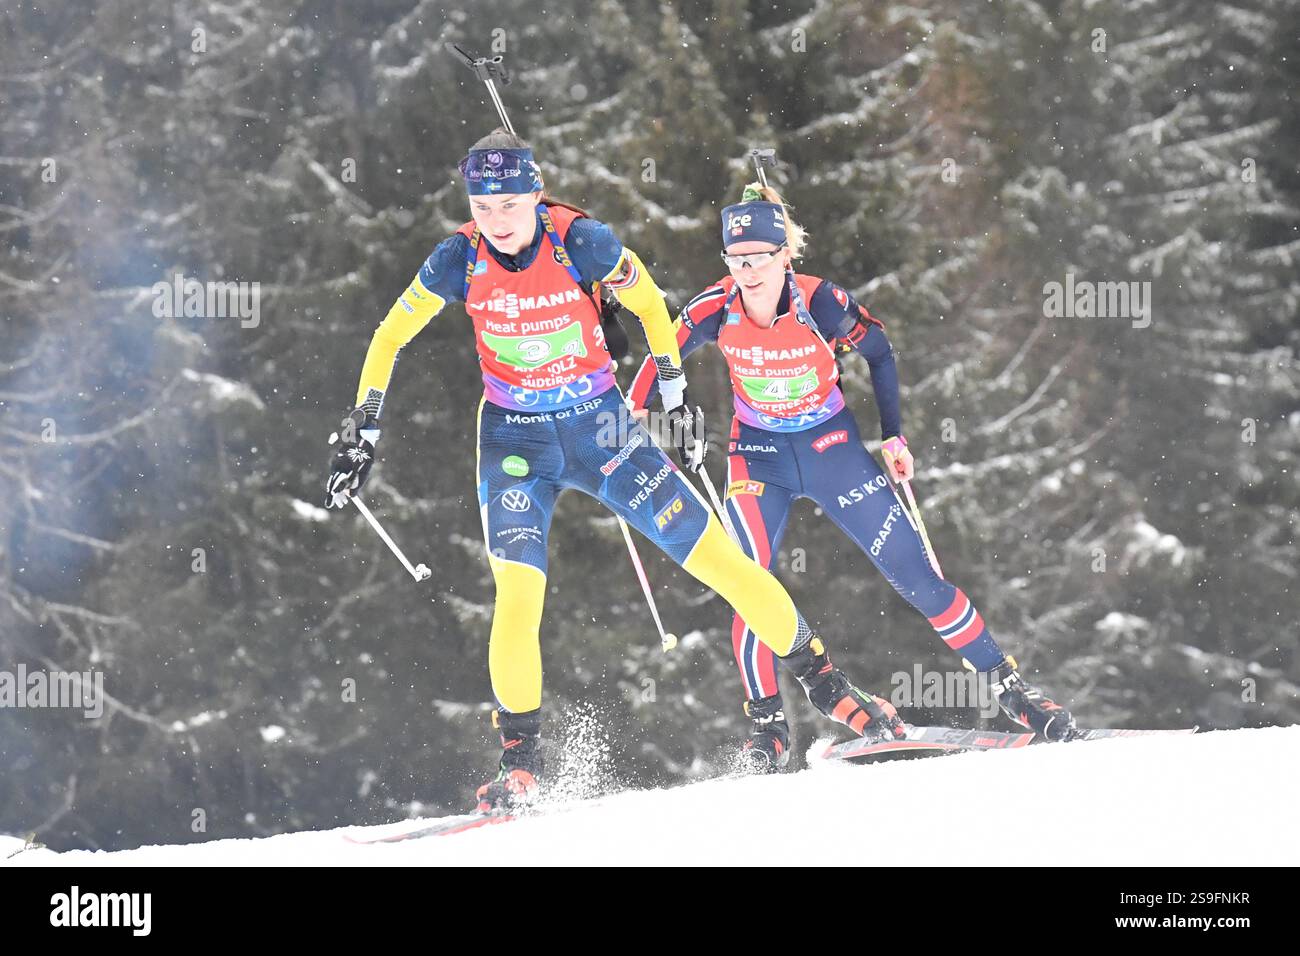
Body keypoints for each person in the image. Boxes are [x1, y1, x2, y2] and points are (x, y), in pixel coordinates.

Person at [324, 133, 905, 808]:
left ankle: (831, 687)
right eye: (483, 206)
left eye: (510, 203)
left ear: (536, 195)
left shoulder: (584, 240)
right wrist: (361, 432)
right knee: (517, 595)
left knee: (716, 560)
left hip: (602, 429)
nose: (497, 219)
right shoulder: (459, 257)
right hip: (515, 440)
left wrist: (676, 394)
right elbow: (390, 335)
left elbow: (652, 305)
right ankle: (521, 765)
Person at [629, 183, 1076, 770]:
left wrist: (893, 435)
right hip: (757, 456)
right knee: (747, 582)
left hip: (831, 449)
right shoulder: (714, 307)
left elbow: (881, 351)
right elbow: (661, 351)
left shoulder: (822, 303)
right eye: (737, 261)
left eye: (760, 257)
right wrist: (630, 417)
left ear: (784, 253)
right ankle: (768, 729)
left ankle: (1010, 688)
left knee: (919, 578)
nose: (748, 272)